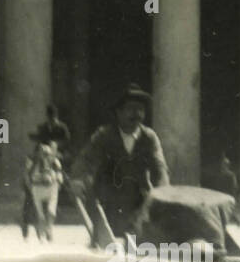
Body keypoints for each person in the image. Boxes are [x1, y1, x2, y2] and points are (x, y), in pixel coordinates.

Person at [71, 84, 170, 242]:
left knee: (137, 245)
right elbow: (85, 159)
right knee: (108, 249)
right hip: (108, 202)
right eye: (131, 109)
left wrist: (163, 193)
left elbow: (160, 168)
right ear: (118, 112)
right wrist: (77, 179)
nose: (136, 115)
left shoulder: (149, 138)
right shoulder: (104, 135)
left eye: (140, 110)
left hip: (138, 202)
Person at [23, 135, 65, 241]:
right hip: (36, 187)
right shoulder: (32, 160)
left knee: (51, 211)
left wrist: (59, 180)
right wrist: (29, 186)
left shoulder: (55, 161)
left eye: (47, 154)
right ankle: (39, 233)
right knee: (39, 213)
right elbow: (27, 174)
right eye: (42, 153)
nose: (45, 156)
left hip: (51, 188)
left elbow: (59, 173)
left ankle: (49, 229)